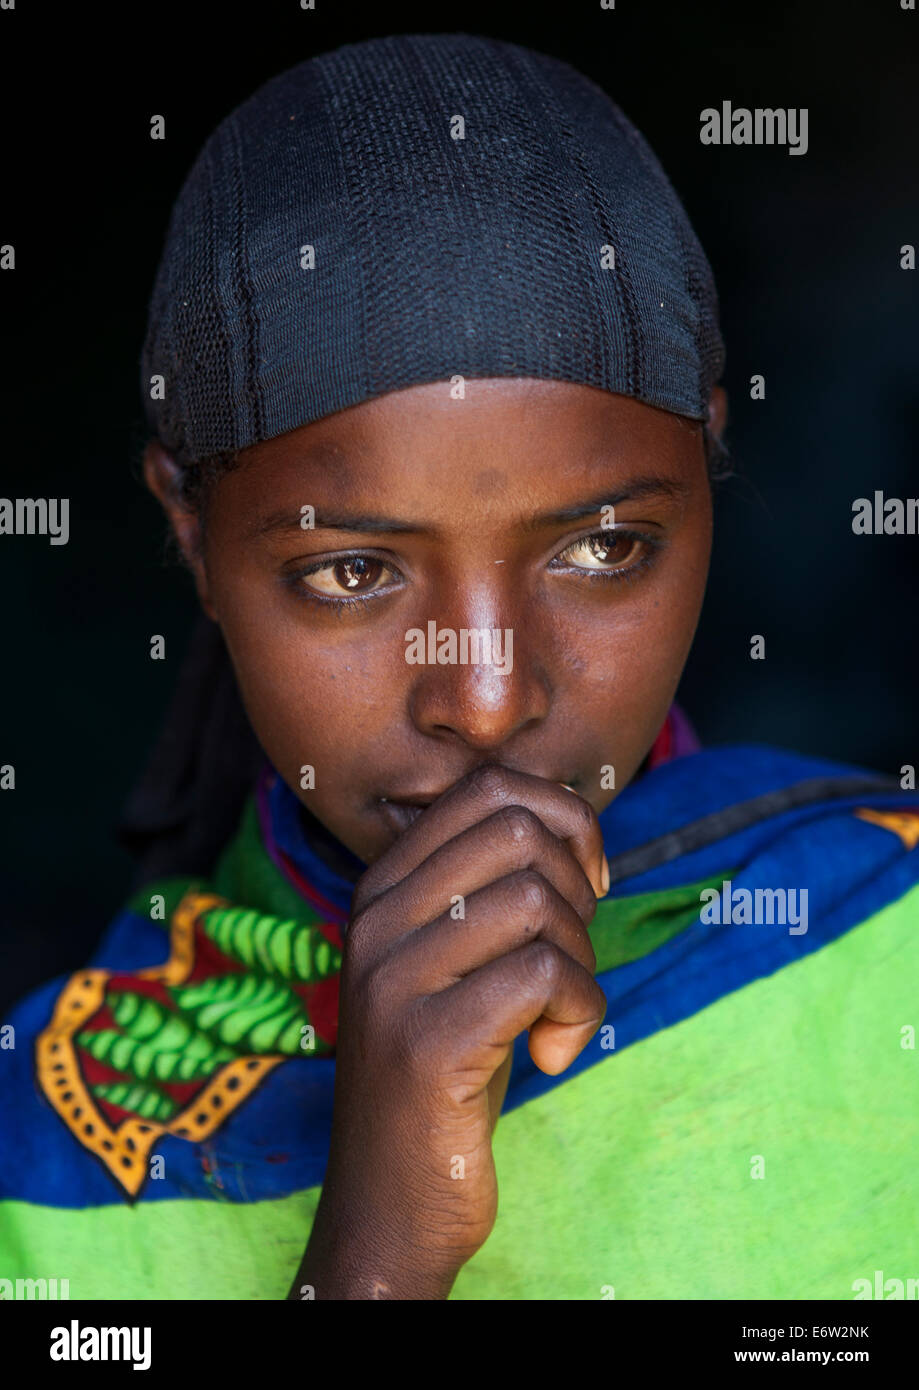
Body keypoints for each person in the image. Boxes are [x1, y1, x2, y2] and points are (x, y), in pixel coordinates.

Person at [2, 32, 918, 1302]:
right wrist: (375, 1253)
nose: (487, 698)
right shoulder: (42, 1156)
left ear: (709, 463)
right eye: (351, 572)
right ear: (190, 532)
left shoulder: (892, 933)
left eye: (603, 546)